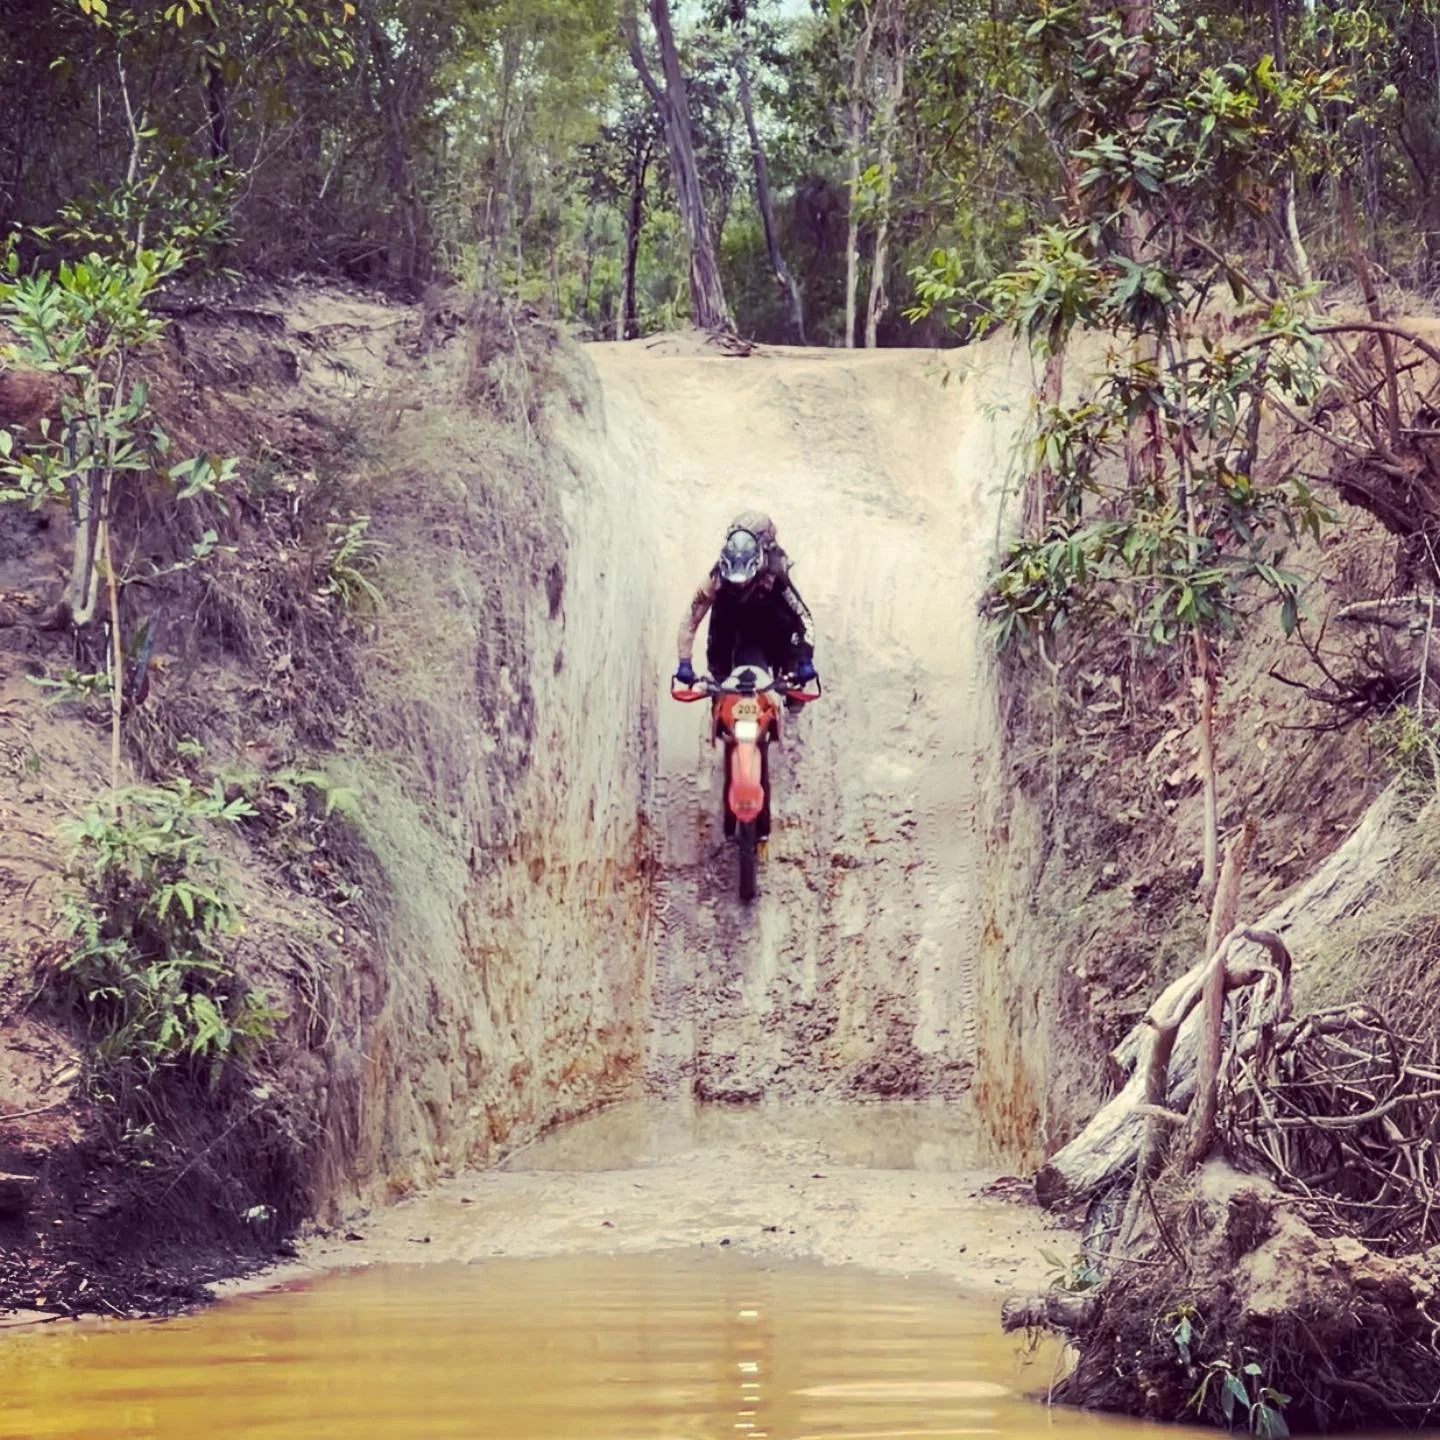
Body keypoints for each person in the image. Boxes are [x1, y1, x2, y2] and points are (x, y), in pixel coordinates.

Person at [674, 511, 818, 694]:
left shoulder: (775, 575)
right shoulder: (716, 578)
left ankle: (790, 710)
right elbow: (690, 620)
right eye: (734, 580)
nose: (739, 584)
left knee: (794, 688)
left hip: (771, 624)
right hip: (732, 624)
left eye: (744, 580)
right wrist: (684, 663)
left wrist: (805, 659)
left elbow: (802, 617)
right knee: (718, 679)